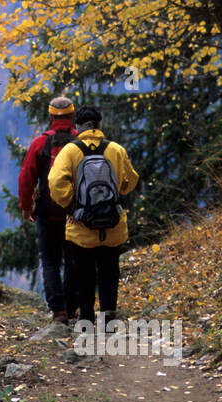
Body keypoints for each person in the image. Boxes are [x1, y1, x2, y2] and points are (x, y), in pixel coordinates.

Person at [47, 106, 139, 324]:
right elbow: (131, 180)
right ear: (100, 124)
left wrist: (71, 205)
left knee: (84, 274)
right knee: (109, 272)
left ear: (78, 127)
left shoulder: (70, 151)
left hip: (81, 226)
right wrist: (117, 192)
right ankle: (108, 319)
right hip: (112, 225)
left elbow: (55, 182)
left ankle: (86, 319)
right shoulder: (116, 150)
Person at [18, 96, 78, 322]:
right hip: (75, 213)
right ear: (72, 116)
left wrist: (26, 207)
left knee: (50, 260)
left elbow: (26, 178)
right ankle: (73, 309)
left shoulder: (39, 143)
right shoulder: (80, 141)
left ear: (51, 116)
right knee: (73, 259)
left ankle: (58, 310)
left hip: (47, 210)